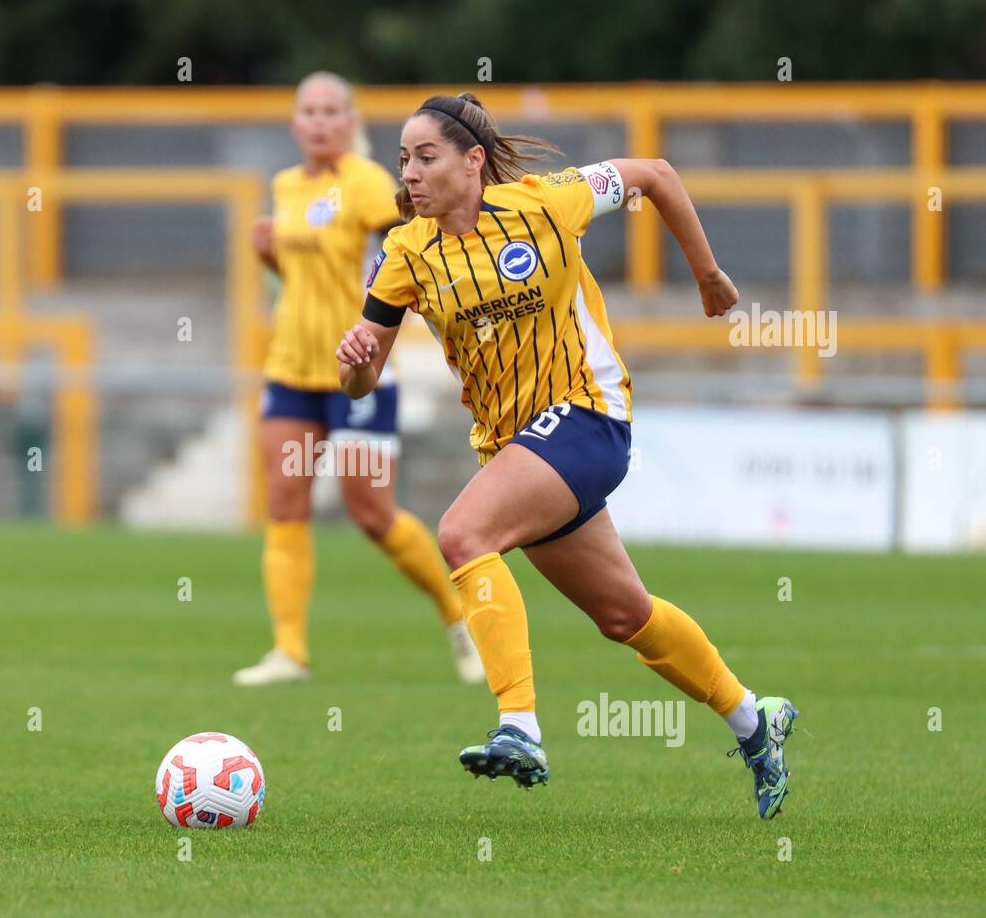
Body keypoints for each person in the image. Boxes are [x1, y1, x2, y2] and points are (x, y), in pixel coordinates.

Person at [336, 93, 800, 818]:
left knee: (463, 534)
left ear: (473, 160)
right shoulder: (405, 252)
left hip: (588, 414)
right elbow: (362, 378)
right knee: (626, 615)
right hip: (517, 448)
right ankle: (753, 719)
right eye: (403, 159)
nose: (411, 173)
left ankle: (519, 726)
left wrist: (707, 275)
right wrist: (358, 361)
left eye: (425, 156)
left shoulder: (548, 202)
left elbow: (656, 174)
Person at [234, 73, 484, 688]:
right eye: (308, 111)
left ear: (349, 121)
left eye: (330, 111)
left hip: (360, 370)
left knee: (371, 512)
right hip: (291, 366)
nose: (319, 121)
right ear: (295, 123)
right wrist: (268, 254)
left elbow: (407, 236)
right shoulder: (286, 185)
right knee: (285, 505)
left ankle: (459, 617)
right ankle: (289, 652)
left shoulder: (370, 183)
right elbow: (298, 276)